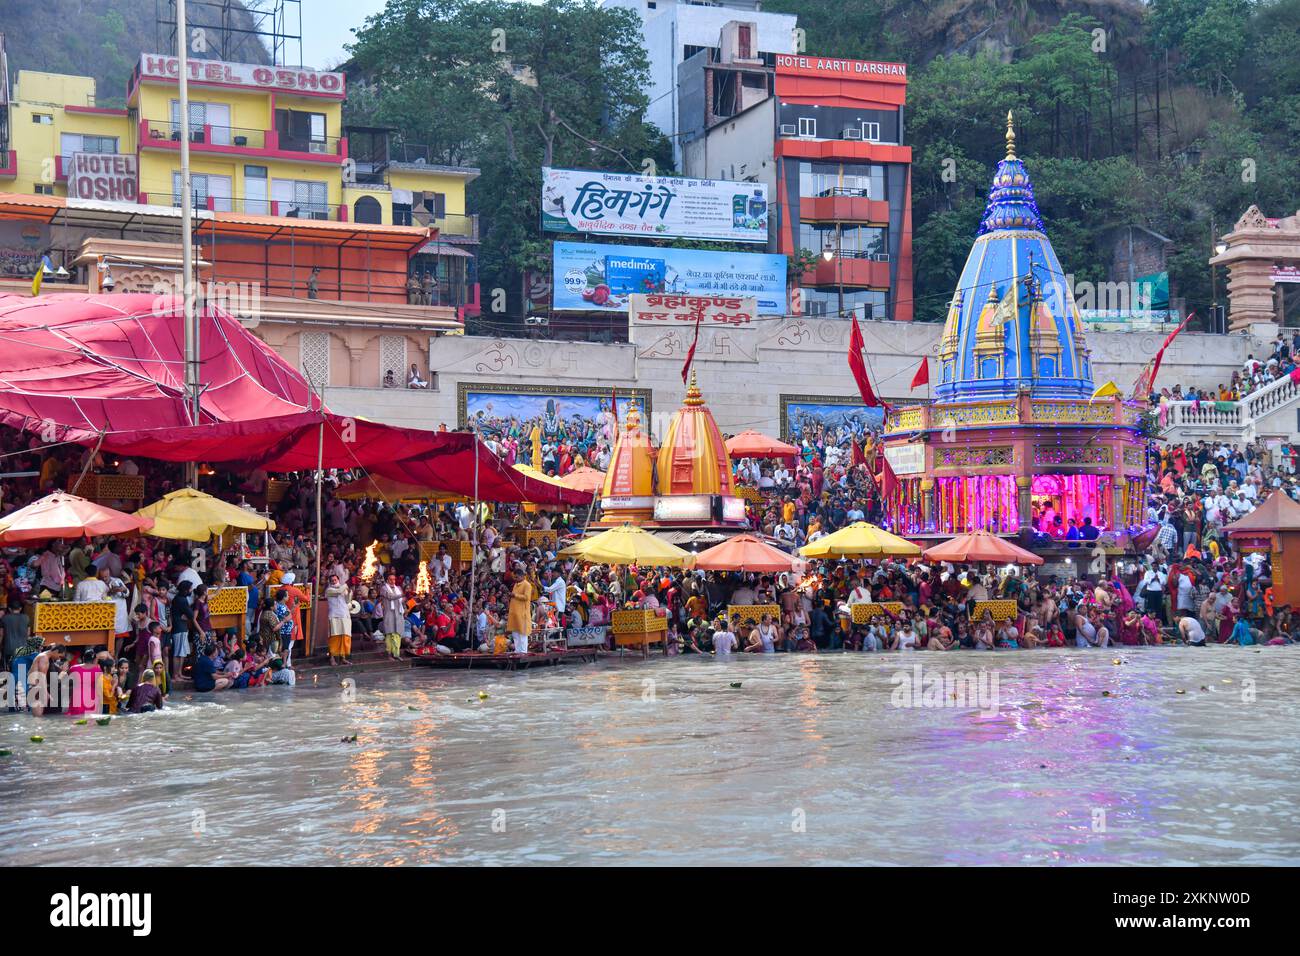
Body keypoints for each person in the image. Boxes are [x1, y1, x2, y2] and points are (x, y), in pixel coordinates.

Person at [325, 573, 352, 665]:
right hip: (334, 616)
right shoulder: (329, 590)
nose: (334, 581)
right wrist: (346, 584)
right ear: (330, 582)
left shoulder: (343, 588)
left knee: (344, 637)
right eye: (332, 580)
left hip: (345, 615)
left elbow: (348, 600)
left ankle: (343, 657)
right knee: (334, 637)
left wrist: (350, 591)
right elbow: (339, 591)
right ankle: (332, 658)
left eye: (335, 580)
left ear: (338, 580)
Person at [508, 571, 537, 654]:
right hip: (514, 612)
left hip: (522, 612)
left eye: (517, 577)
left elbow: (527, 597)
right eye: (515, 577)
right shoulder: (515, 585)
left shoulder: (527, 585)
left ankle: (524, 651)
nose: (515, 579)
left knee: (522, 632)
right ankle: (517, 650)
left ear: (522, 576)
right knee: (515, 633)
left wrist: (514, 595)